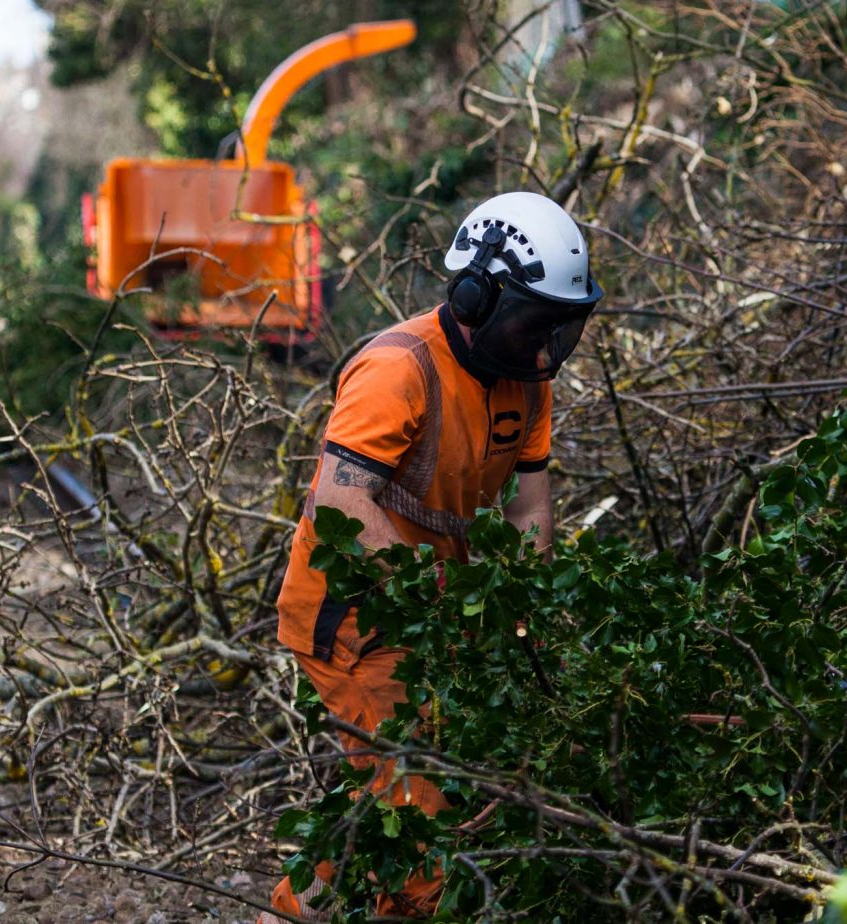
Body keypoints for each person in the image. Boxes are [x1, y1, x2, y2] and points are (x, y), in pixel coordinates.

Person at [266, 191, 603, 919]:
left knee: (394, 804)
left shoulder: (526, 378)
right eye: (533, 324)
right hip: (354, 620)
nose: (545, 348)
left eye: (557, 328)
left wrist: (521, 606)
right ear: (476, 294)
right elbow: (340, 506)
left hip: (436, 623)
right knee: (421, 827)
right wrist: (445, 594)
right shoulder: (398, 369)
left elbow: (529, 505)